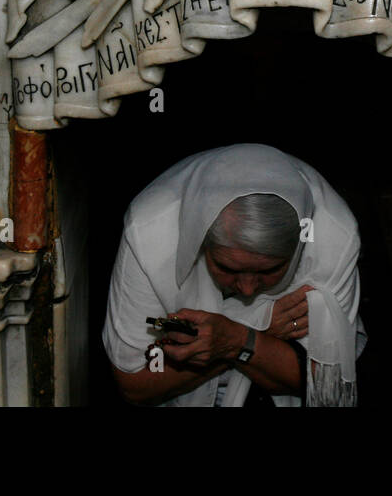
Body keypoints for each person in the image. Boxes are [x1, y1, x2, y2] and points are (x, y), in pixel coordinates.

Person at [102, 143, 364, 406]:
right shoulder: (150, 232)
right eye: (228, 268)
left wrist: (235, 341)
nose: (248, 289)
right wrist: (251, 336)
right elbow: (133, 385)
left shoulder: (333, 238)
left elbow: (330, 387)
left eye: (270, 270)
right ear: (201, 241)